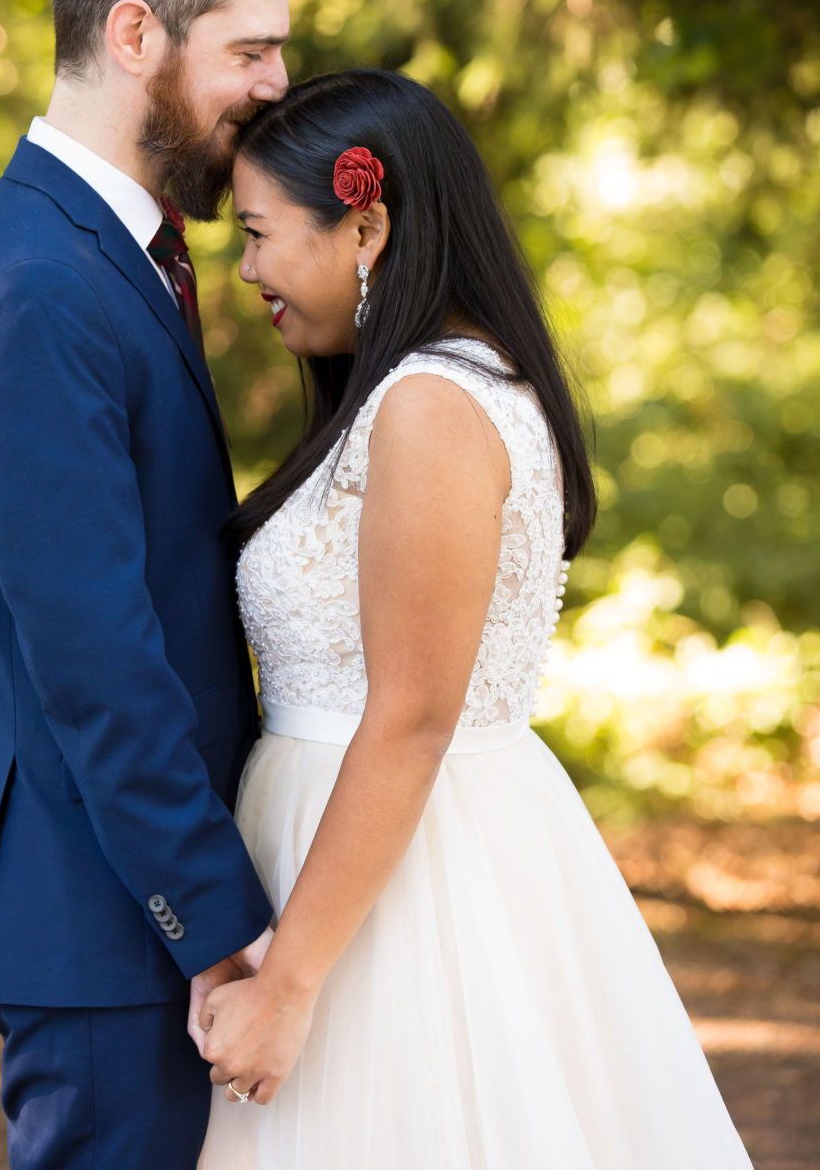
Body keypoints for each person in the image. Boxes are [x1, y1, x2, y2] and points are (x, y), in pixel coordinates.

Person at [196, 70, 754, 1168]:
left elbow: (410, 713)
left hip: (401, 883)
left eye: (259, 235)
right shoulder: (422, 387)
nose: (249, 269)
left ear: (365, 224)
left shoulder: (431, 407)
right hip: (353, 844)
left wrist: (291, 984)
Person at [0, 0, 296, 1170]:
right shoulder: (33, 285)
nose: (271, 85)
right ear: (134, 33)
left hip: (126, 909)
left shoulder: (112, 251)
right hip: (104, 927)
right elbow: (94, 657)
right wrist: (216, 924)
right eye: (247, 49)